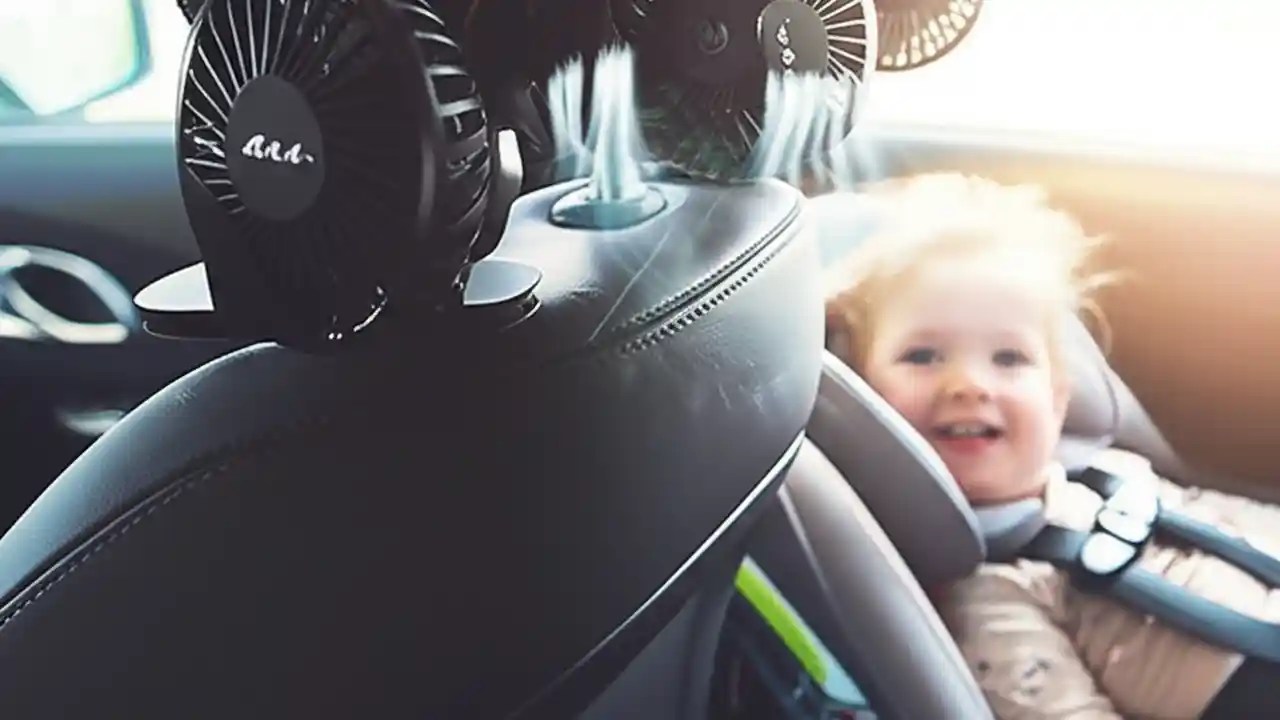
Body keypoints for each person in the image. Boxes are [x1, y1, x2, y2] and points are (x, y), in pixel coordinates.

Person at [821, 172, 1280, 719]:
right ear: (867, 401)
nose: (969, 383)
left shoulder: (1114, 475)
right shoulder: (991, 597)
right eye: (922, 356)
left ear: (1058, 400)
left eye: (1009, 359)